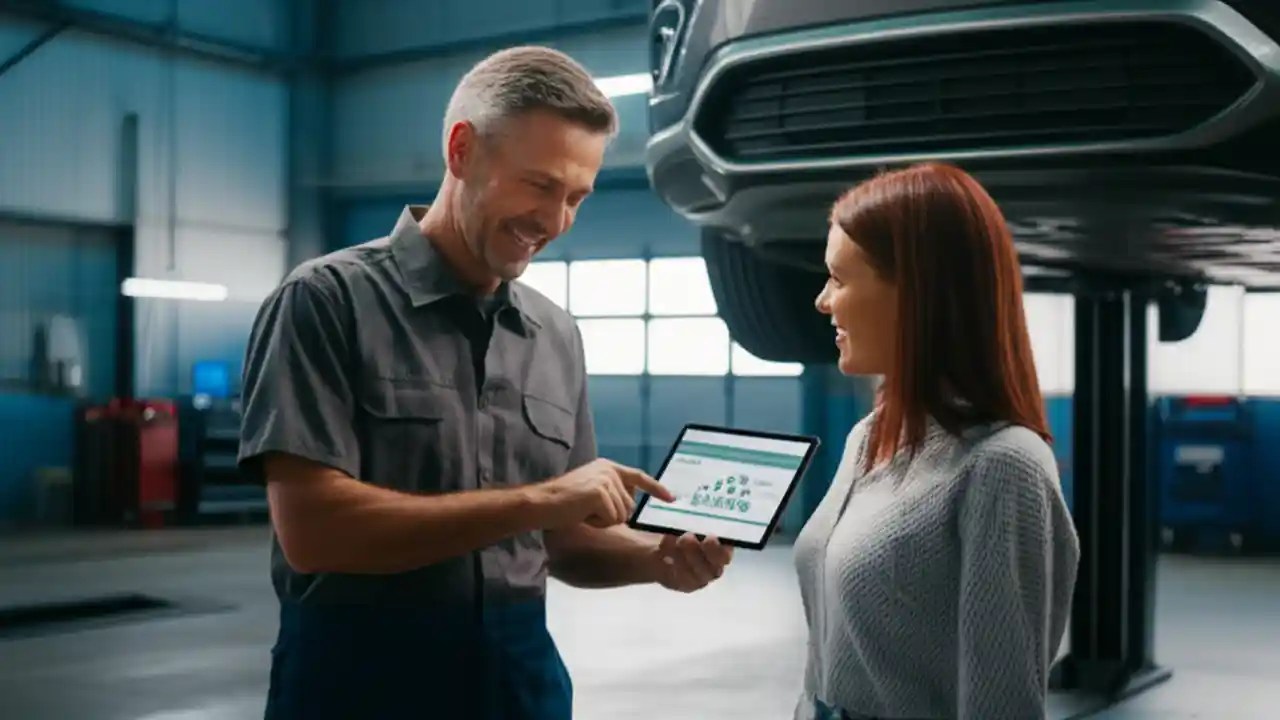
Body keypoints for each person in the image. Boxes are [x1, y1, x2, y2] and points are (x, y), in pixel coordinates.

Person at [237, 46, 734, 720]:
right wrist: (543, 498)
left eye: (576, 198)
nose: (555, 222)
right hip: (358, 685)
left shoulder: (554, 334)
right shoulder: (325, 301)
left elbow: (564, 541)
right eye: (539, 185)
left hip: (520, 685)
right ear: (462, 151)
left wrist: (655, 559)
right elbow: (314, 531)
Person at [792, 162, 1081, 720]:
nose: (823, 301)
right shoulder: (868, 437)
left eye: (840, 279)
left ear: (916, 294)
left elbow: (1001, 707)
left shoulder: (1003, 467)